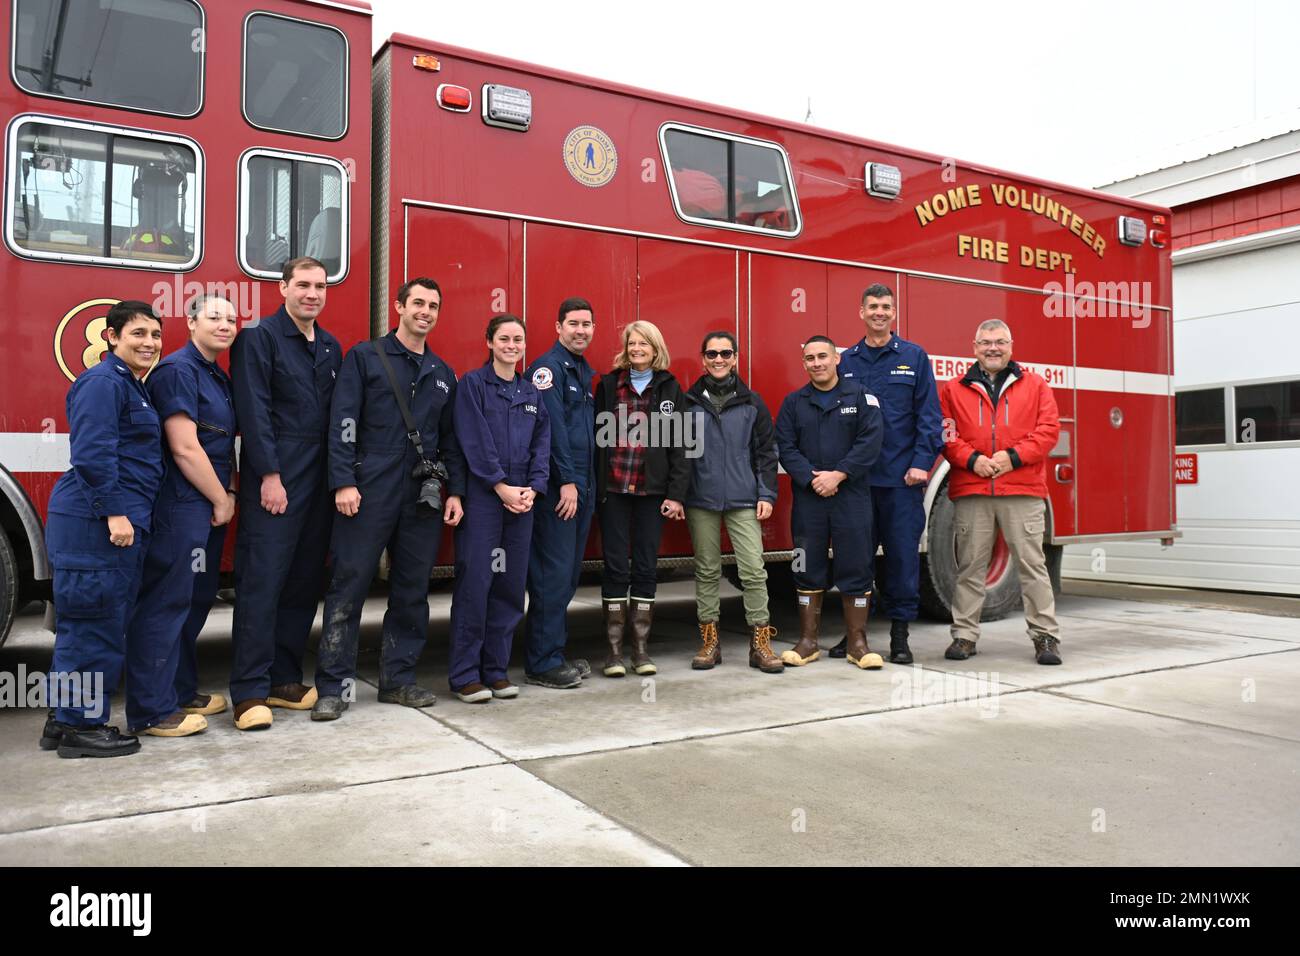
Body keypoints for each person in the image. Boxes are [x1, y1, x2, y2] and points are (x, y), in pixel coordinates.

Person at [312, 278, 467, 720]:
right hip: (368, 489)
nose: (425, 311)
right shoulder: (365, 357)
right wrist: (343, 481)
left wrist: (454, 490)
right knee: (349, 586)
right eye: (417, 302)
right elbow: (343, 423)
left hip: (421, 496)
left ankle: (398, 681)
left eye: (433, 305)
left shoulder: (443, 374)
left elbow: (450, 440)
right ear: (398, 306)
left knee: (412, 590)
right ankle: (333, 688)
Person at [40, 301, 165, 758]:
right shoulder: (102, 383)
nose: (148, 343)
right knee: (95, 626)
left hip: (107, 522)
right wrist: (115, 514)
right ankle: (80, 728)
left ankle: (61, 720)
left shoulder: (132, 385)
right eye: (137, 334)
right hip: (98, 524)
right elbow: (93, 454)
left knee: (87, 624)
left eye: (154, 335)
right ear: (111, 337)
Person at [228, 257, 341, 730]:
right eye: (303, 285)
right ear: (283, 288)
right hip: (276, 477)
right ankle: (249, 691)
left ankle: (284, 678)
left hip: (318, 483)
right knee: (263, 583)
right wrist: (269, 475)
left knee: (301, 583)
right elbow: (253, 413)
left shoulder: (332, 347)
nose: (312, 293)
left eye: (319, 286)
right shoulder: (259, 339)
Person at [123, 294, 239, 740]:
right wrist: (222, 499)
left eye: (231, 319)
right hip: (182, 504)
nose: (225, 325)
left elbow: (219, 445)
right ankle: (153, 711)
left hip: (204, 503)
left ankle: (181, 689)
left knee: (194, 600)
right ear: (191, 323)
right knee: (167, 602)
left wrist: (224, 493)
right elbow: (185, 447)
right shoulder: (177, 371)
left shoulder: (214, 374)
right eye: (214, 317)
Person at [938, 319, 1063, 664]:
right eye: (986, 342)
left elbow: (1048, 431)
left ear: (1011, 346)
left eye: (1000, 342)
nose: (993, 348)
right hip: (973, 487)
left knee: (1032, 565)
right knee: (970, 567)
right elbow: (947, 435)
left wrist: (1012, 458)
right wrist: (973, 460)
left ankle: (1045, 637)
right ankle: (964, 636)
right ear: (974, 347)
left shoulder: (1036, 385)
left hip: (1021, 488)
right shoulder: (952, 389)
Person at [835, 283, 943, 663]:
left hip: (900, 481)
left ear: (893, 313)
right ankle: (855, 634)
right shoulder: (846, 361)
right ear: (861, 312)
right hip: (858, 483)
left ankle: (900, 637)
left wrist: (921, 463)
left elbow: (930, 417)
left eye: (885, 306)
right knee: (855, 559)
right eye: (872, 306)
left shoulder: (914, 357)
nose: (879, 312)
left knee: (900, 559)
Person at [448, 315, 550, 702]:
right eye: (504, 338)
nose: (511, 345)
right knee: (477, 584)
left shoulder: (531, 394)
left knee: (509, 587)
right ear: (489, 342)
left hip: (521, 504)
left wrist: (534, 490)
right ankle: (464, 676)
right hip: (485, 502)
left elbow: (543, 444)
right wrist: (500, 485)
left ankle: (496, 670)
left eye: (518, 339)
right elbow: (473, 441)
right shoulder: (473, 385)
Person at [774, 336, 885, 670]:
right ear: (804, 363)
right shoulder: (793, 403)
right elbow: (785, 446)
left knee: (857, 565)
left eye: (823, 356)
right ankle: (808, 643)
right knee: (806, 565)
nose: (817, 363)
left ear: (837, 358)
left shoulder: (862, 397)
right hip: (809, 500)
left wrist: (838, 475)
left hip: (851, 497)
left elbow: (871, 441)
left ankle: (858, 643)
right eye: (810, 358)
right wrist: (812, 479)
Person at [681, 331, 783, 674]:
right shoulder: (688, 402)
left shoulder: (753, 402)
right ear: (703, 358)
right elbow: (679, 455)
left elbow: (767, 453)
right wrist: (678, 496)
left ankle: (760, 643)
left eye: (726, 353)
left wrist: (766, 494)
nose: (719, 359)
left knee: (753, 570)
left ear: (736, 358)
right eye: (712, 354)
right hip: (701, 499)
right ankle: (710, 642)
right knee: (707, 571)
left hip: (743, 499)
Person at [594, 321, 689, 677]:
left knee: (647, 567)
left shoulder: (670, 387)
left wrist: (676, 495)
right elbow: (596, 440)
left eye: (643, 344)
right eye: (632, 344)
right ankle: (614, 653)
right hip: (614, 490)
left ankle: (641, 651)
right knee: (616, 566)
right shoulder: (607, 385)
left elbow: (681, 445)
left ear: (655, 348)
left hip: (651, 492)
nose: (637, 349)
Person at [522, 297, 598, 689]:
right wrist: (567, 481)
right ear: (558, 327)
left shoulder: (583, 371)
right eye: (573, 324)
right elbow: (549, 431)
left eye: (587, 324)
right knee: (552, 574)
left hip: (583, 483)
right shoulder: (548, 370)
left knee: (567, 574)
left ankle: (555, 650)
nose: (581, 330)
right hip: (560, 487)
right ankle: (542, 661)